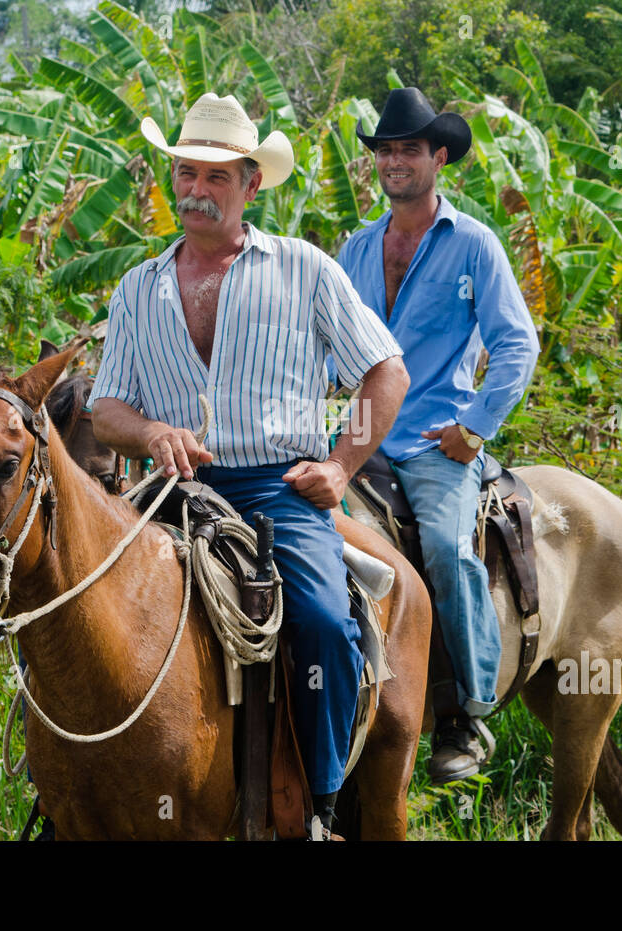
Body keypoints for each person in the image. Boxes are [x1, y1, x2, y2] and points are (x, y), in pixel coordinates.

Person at [85, 93, 409, 834]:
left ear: (251, 185)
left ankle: (322, 806)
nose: (196, 192)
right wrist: (153, 431)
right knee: (76, 605)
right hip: (171, 489)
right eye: (186, 174)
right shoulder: (137, 288)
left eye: (216, 178)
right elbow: (107, 408)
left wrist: (341, 465)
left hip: (278, 490)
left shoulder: (304, 270)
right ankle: (73, 790)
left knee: (326, 623)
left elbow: (385, 371)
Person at [337, 87, 539, 784]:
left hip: (433, 438)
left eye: (409, 150)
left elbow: (518, 343)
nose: (395, 162)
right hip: (359, 433)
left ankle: (465, 714)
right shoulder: (355, 249)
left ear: (438, 157)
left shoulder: (474, 243)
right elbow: (324, 347)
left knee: (450, 552)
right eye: (386, 151)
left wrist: (477, 427)